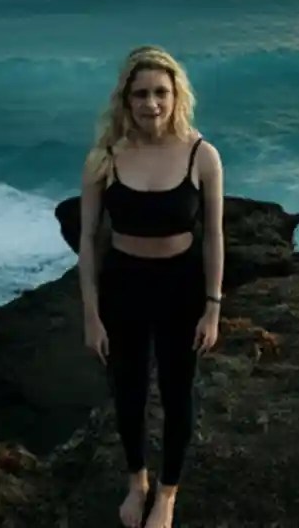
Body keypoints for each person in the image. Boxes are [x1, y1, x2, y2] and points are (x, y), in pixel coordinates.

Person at [78, 45, 225, 528]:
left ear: (177, 94)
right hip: (123, 285)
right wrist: (91, 314)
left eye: (161, 92)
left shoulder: (202, 155)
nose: (151, 104)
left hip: (180, 286)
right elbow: (88, 239)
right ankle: (136, 481)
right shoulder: (105, 157)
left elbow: (214, 237)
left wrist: (212, 307)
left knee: (178, 392)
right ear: (125, 99)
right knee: (129, 390)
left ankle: (167, 492)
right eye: (140, 93)